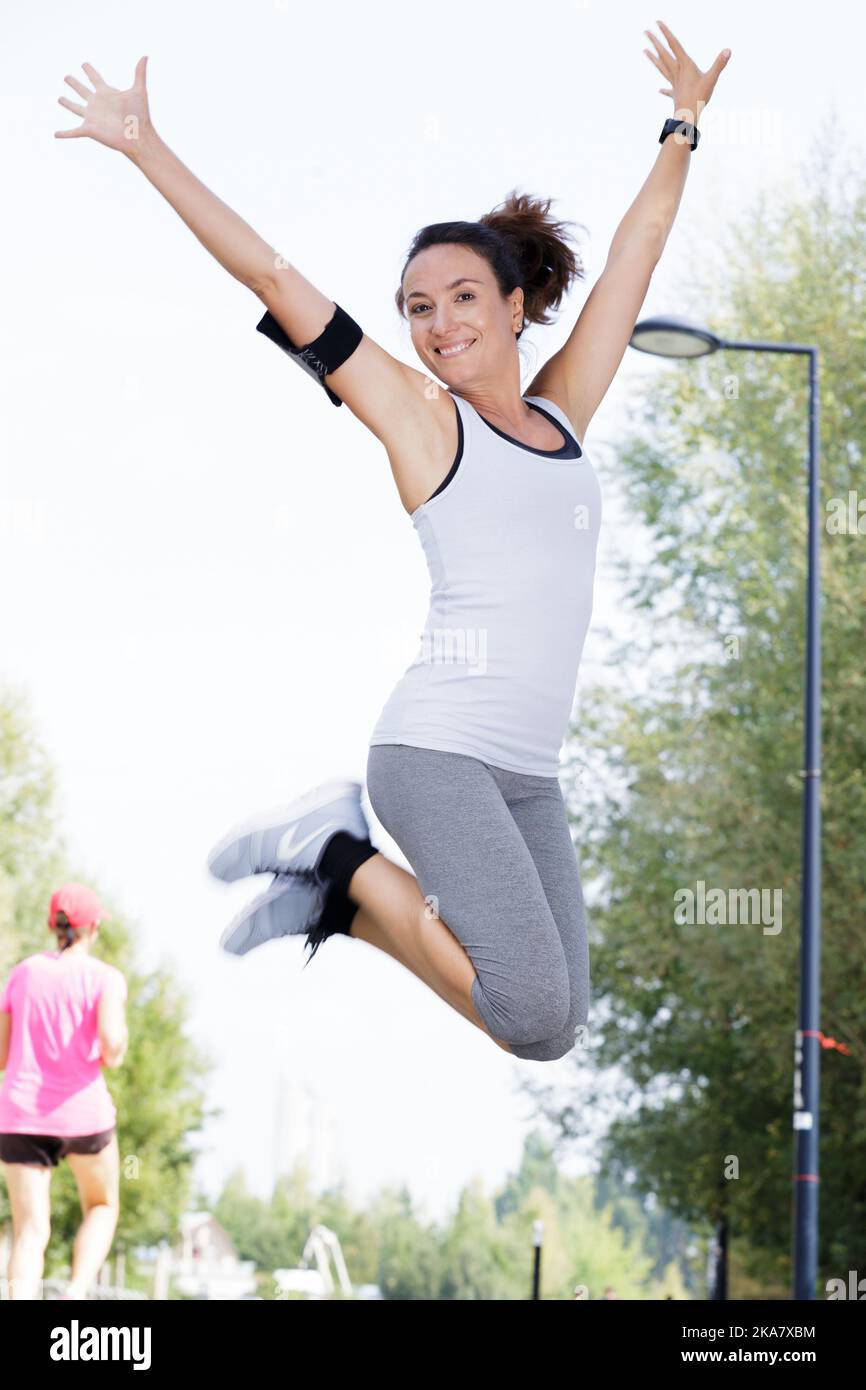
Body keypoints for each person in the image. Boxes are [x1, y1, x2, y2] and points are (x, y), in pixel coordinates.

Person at [53, 28, 730, 1062]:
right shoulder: (424, 421)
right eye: (417, 307)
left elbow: (632, 255)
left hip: (525, 771)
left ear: (514, 307)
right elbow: (277, 280)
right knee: (532, 1007)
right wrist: (148, 149)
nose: (438, 323)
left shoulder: (557, 419)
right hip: (435, 753)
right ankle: (333, 850)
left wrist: (681, 124)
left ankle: (342, 900)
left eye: (462, 298)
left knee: (553, 1025)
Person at [0, 884, 127, 1300]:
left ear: (50, 925)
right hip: (83, 1115)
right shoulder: (105, 979)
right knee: (102, 1206)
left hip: (20, 1116)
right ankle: (74, 1294)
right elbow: (111, 1046)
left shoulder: (22, 973)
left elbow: (1, 1054)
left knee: (30, 1230)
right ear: (93, 928)